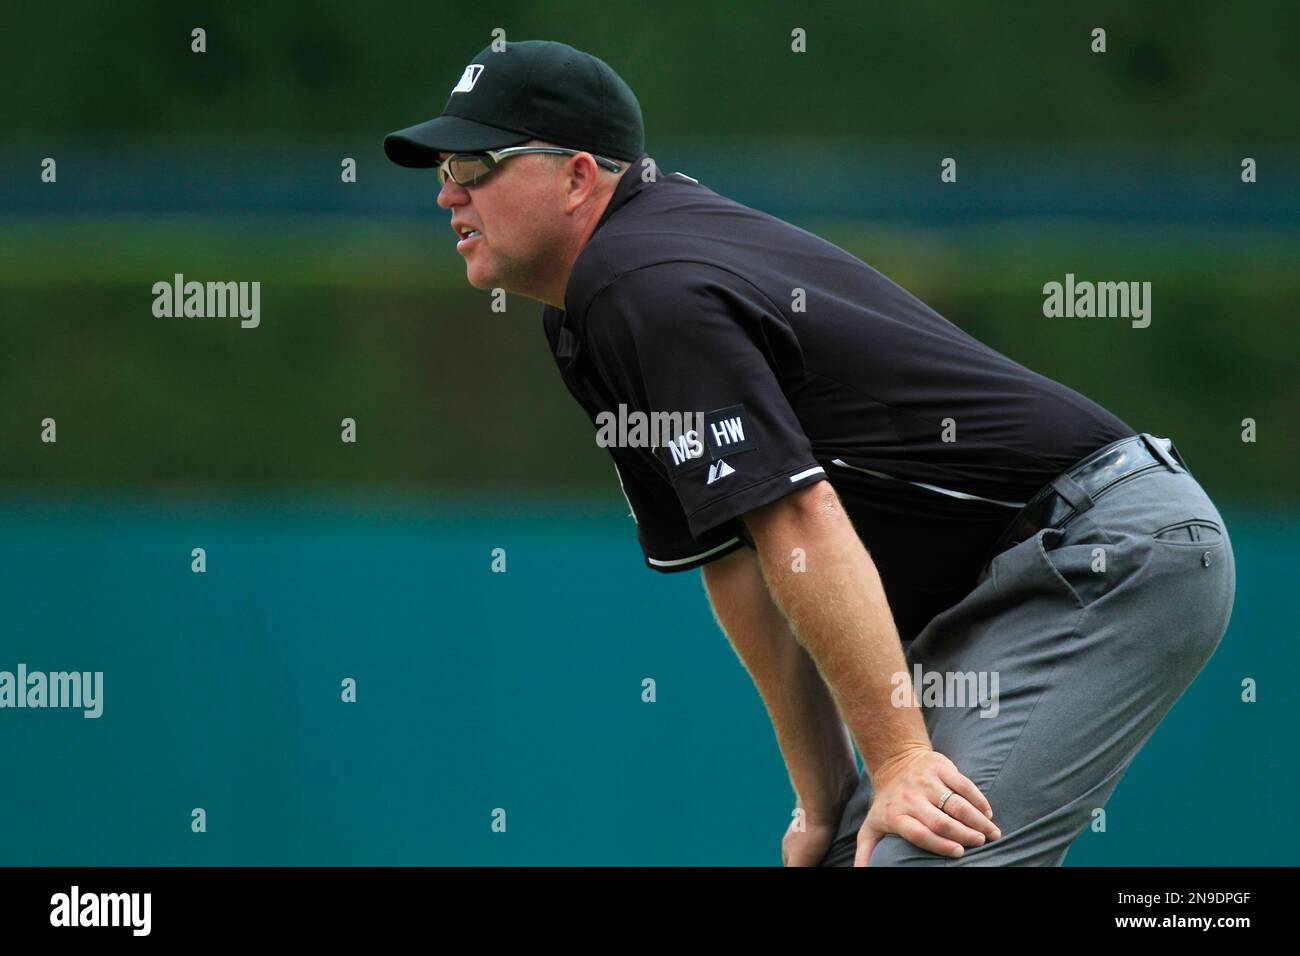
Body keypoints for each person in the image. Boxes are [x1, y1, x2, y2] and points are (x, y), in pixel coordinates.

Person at [384, 39, 1237, 866]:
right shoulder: (589, 311)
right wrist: (825, 799)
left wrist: (898, 761)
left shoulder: (642, 283)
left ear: (577, 176)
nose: (447, 196)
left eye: (474, 167)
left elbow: (798, 513)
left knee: (927, 859)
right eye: (442, 172)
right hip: (1008, 584)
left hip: (1101, 554)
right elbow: (738, 557)